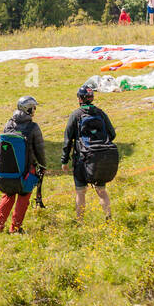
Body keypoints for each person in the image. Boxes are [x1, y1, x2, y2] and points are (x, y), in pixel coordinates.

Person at [0, 96, 46, 234]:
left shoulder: (8, 124)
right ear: (28, 109)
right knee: (23, 196)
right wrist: (43, 166)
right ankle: (15, 229)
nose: (34, 110)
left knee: (8, 195)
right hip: (27, 170)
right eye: (33, 108)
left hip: (8, 170)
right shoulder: (33, 127)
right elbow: (39, 149)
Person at [61, 84, 115, 220]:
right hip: (100, 157)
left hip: (81, 159)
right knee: (101, 191)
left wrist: (64, 160)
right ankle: (108, 218)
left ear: (80, 99)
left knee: (80, 192)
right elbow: (112, 134)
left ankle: (80, 221)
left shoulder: (75, 115)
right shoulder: (100, 113)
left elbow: (68, 140)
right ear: (92, 98)